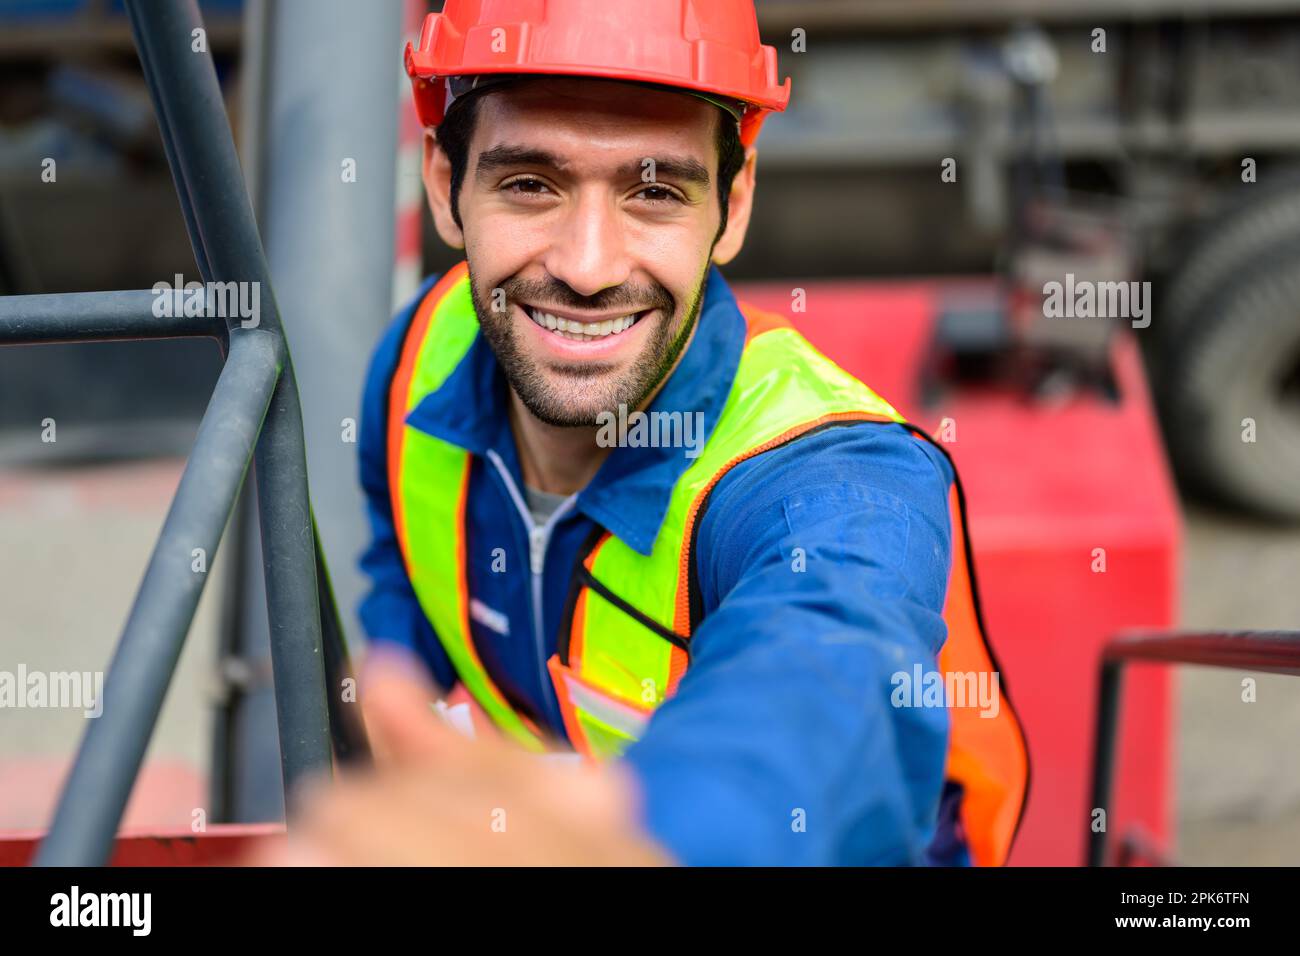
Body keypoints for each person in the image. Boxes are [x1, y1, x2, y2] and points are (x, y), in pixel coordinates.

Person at [259, 0, 1027, 866]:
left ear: (732, 207)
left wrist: (631, 839)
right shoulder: (417, 362)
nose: (587, 267)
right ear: (445, 186)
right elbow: (401, 566)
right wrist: (396, 678)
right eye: (529, 184)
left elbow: (822, 687)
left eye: (655, 191)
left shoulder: (836, 482)